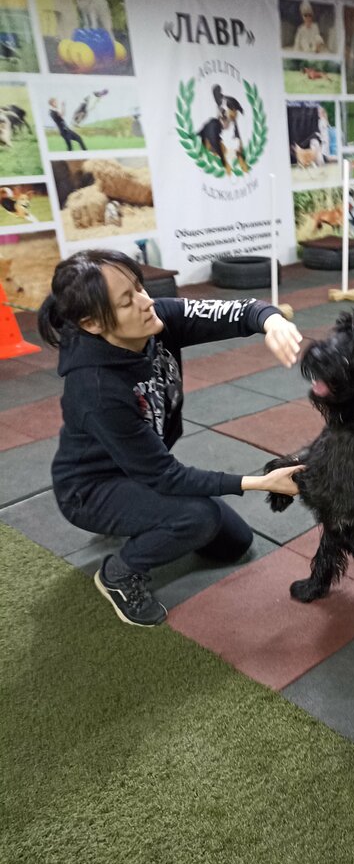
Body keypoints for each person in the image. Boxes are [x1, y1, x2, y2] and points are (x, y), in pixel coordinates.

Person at [37, 249, 304, 628]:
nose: (146, 303)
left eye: (140, 288)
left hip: (140, 468)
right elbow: (166, 477)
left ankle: (146, 518)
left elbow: (239, 311)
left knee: (233, 543)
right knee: (198, 517)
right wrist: (259, 482)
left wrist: (272, 322)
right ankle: (118, 573)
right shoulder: (96, 389)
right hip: (91, 489)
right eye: (127, 301)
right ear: (93, 323)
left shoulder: (155, 319)